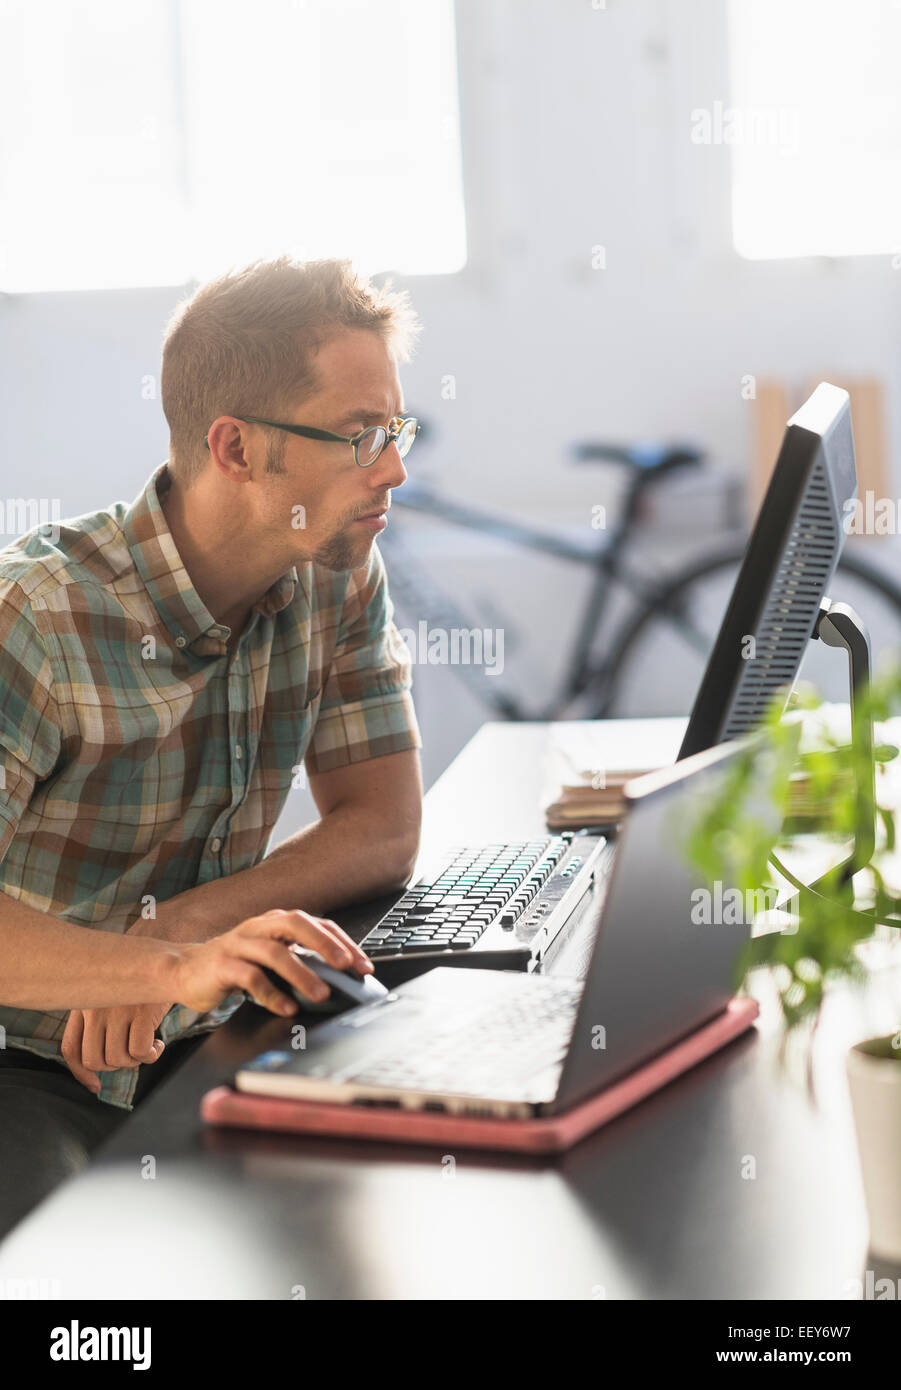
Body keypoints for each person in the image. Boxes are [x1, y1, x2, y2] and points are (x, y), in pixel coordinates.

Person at [0, 256, 424, 1237]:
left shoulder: (337, 568)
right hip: (23, 1057)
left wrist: (177, 931)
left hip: (192, 1027)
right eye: (360, 435)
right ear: (237, 447)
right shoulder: (37, 620)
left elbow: (382, 823)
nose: (393, 468)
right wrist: (157, 969)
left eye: (397, 431)